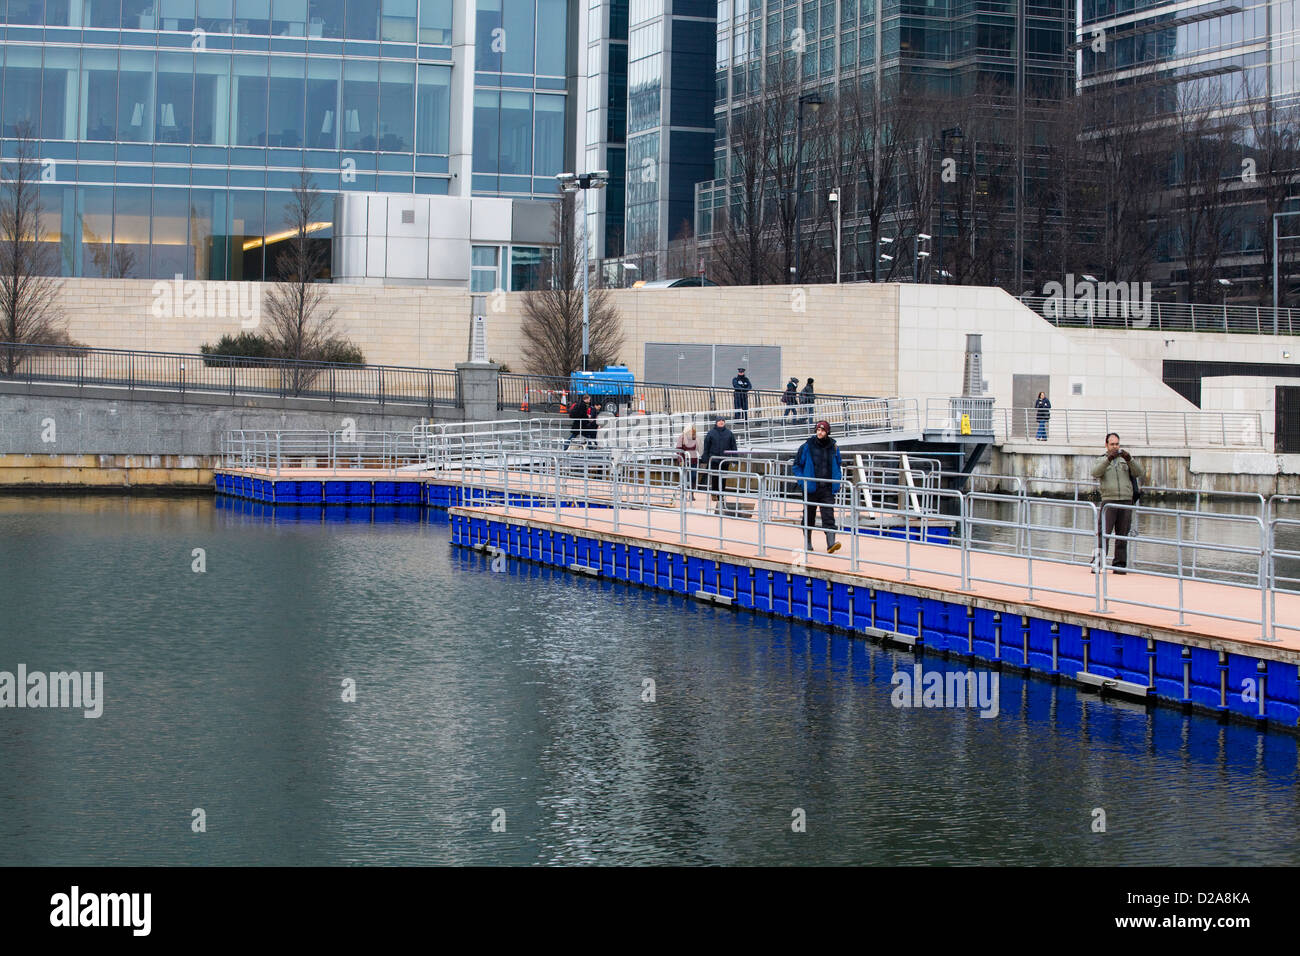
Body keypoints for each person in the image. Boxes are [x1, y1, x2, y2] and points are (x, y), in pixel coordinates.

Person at [1090, 432, 1144, 574]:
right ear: (1106, 445)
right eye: (1112, 444)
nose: (1115, 447)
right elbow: (1095, 473)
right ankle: (1097, 563)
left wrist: (1130, 459)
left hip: (1126, 500)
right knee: (1103, 533)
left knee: (1122, 535)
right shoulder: (1101, 460)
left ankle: (1119, 566)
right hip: (1109, 500)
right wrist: (1108, 459)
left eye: (1117, 444)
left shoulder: (1125, 460)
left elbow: (1139, 472)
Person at [792, 420, 843, 554]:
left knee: (828, 516)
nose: (820, 433)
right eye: (818, 430)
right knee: (809, 515)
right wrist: (803, 482)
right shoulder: (807, 446)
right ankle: (808, 543)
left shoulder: (834, 446)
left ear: (827, 432)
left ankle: (831, 544)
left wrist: (837, 481)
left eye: (822, 430)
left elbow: (838, 465)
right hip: (811, 487)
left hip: (827, 488)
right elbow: (797, 466)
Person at [700, 417, 738, 512]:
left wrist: (734, 459)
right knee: (715, 477)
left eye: (723, 421)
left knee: (723, 478)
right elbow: (706, 447)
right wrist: (705, 459)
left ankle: (721, 494)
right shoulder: (711, 433)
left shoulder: (729, 433)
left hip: (725, 459)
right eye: (719, 421)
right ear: (716, 423)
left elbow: (733, 446)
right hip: (714, 459)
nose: (721, 422)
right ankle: (714, 493)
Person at [675, 424, 701, 501]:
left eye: (692, 429)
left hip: (694, 460)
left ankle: (691, 494)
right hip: (684, 460)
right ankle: (683, 494)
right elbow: (678, 449)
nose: (691, 431)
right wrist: (680, 460)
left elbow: (699, 447)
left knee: (693, 476)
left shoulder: (696, 437)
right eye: (690, 429)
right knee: (684, 478)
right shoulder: (682, 437)